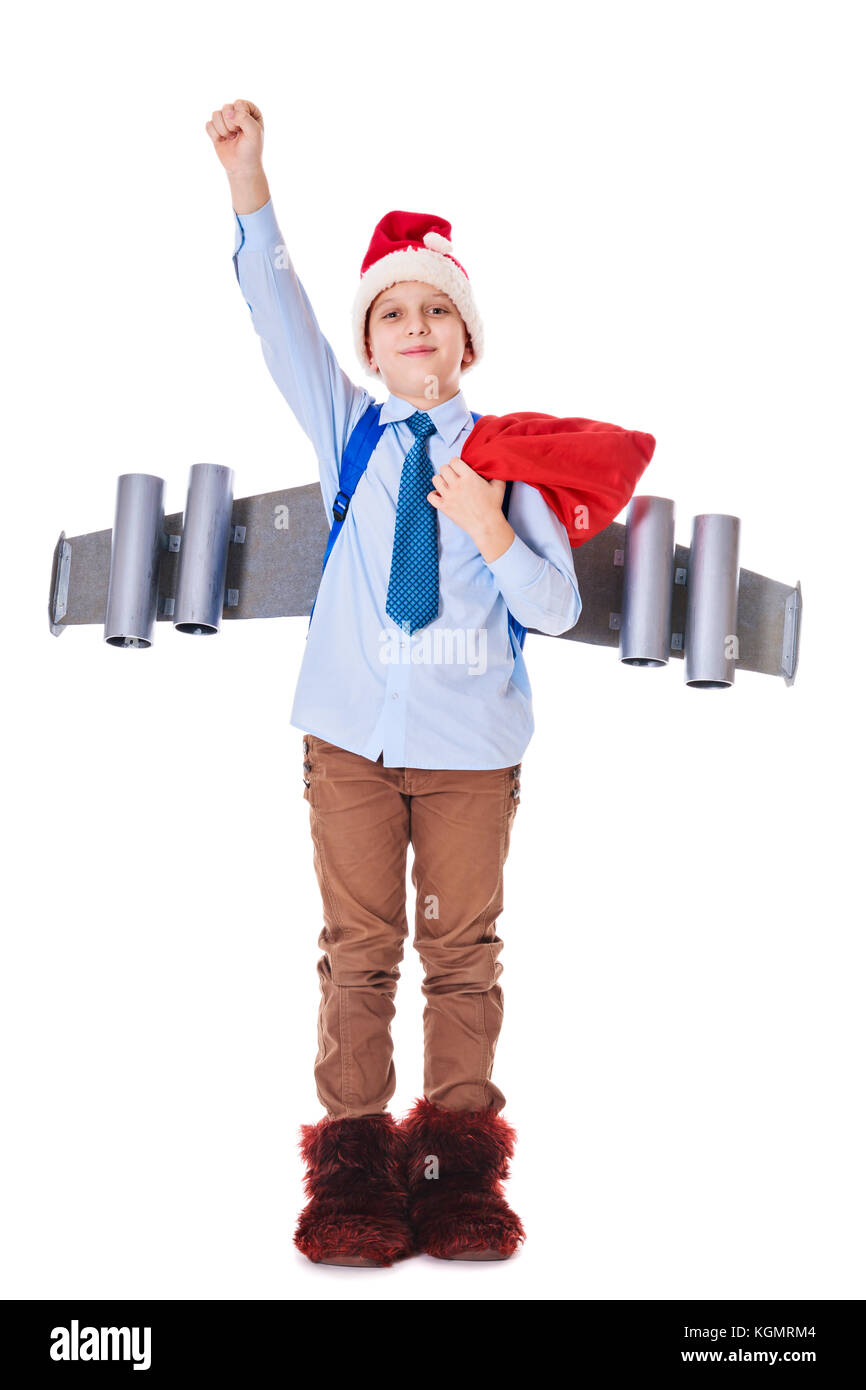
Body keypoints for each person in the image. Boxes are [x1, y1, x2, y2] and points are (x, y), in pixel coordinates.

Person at [206, 98, 582, 1267]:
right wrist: (248, 182)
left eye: (435, 312)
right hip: (347, 745)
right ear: (370, 348)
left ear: (466, 343)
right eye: (392, 314)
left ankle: (453, 1170)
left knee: (460, 955)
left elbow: (554, 607)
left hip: (472, 748)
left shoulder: (507, 462)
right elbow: (277, 316)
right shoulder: (351, 435)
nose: (414, 328)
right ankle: (356, 1168)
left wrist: (490, 525)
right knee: (357, 949)